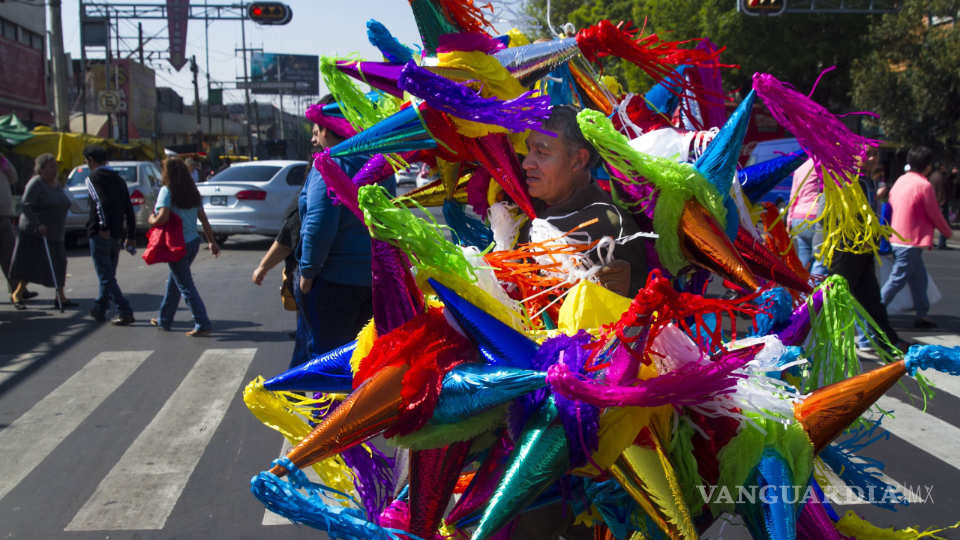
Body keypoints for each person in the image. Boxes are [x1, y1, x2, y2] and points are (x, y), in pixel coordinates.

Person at [296, 94, 396, 361]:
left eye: (316, 132)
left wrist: (307, 274)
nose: (314, 140)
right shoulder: (380, 163)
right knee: (360, 362)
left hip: (333, 284)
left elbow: (319, 227)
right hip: (374, 281)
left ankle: (327, 405)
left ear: (326, 129)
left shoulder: (328, 164)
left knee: (326, 363)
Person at [517, 104, 648, 299]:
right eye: (529, 150)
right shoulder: (524, 204)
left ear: (578, 160)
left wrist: (624, 296)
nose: (526, 163)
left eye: (541, 153)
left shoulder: (610, 225)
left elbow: (644, 315)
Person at [828, 147, 906, 352]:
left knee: (870, 297)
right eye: (867, 154)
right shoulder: (847, 180)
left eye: (876, 155)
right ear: (852, 155)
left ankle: (888, 341)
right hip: (847, 249)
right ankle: (827, 346)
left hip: (864, 249)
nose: (872, 159)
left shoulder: (867, 181)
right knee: (836, 298)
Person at [881, 146, 952, 329]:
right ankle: (875, 312)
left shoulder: (900, 181)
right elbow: (934, 213)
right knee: (897, 279)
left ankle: (923, 314)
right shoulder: (924, 185)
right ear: (927, 166)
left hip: (897, 236)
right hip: (910, 240)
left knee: (919, 278)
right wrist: (947, 231)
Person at [148, 158, 220, 336]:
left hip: (177, 244)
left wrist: (151, 220)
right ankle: (164, 319)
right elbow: (203, 219)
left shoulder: (167, 191)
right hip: (193, 242)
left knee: (185, 285)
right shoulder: (191, 191)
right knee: (175, 282)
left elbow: (162, 218)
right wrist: (211, 241)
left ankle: (202, 322)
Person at [8, 154, 74, 310]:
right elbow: (26, 205)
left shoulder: (56, 183)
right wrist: (38, 225)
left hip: (55, 233)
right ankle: (17, 293)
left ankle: (60, 297)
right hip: (35, 232)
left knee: (59, 263)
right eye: (51, 167)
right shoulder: (36, 183)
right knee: (31, 265)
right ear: (41, 169)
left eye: (55, 167)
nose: (54, 170)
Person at [84, 145, 137, 325]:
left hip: (101, 233)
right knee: (108, 273)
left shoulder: (92, 178)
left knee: (105, 275)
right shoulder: (118, 179)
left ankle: (124, 309)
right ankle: (100, 306)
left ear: (91, 160)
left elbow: (100, 202)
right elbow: (128, 208)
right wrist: (130, 233)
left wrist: (102, 226)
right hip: (117, 233)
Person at [0, 152, 38, 302]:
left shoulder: (2, 164)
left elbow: (14, 177)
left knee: (11, 256)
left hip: (4, 217)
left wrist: (3, 160)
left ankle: (18, 290)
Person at [788, 158, 828, 276]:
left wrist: (789, 222)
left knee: (803, 259)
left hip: (798, 217)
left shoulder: (801, 166)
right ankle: (814, 292)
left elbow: (793, 196)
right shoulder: (825, 164)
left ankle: (798, 291)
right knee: (821, 261)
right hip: (815, 217)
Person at [929, 161, 952, 249]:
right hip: (941, 204)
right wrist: (942, 204)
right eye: (944, 167)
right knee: (944, 223)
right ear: (941, 167)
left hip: (934, 203)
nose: (945, 168)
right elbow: (942, 193)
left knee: (932, 223)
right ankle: (942, 242)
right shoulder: (940, 178)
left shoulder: (934, 176)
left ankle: (930, 240)